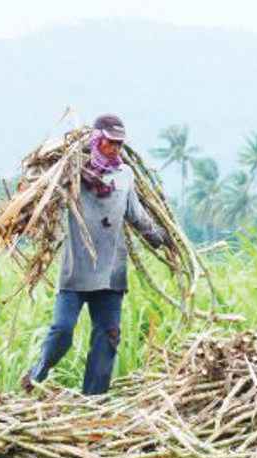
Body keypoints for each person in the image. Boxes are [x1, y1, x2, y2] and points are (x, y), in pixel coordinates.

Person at [22, 114, 170, 396]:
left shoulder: (125, 175)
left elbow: (135, 213)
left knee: (108, 338)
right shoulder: (71, 172)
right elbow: (39, 187)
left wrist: (158, 237)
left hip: (111, 273)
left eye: (118, 145)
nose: (114, 149)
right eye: (108, 144)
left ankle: (93, 401)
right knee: (62, 330)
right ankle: (37, 372)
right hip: (76, 270)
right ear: (96, 141)